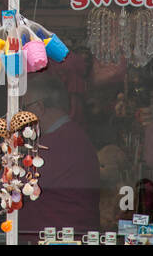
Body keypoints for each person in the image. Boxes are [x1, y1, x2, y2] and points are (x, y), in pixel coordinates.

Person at [18, 70, 99, 242]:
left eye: (25, 108)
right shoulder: (73, 136)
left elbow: (19, 182)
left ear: (39, 107)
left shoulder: (59, 142)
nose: (22, 116)